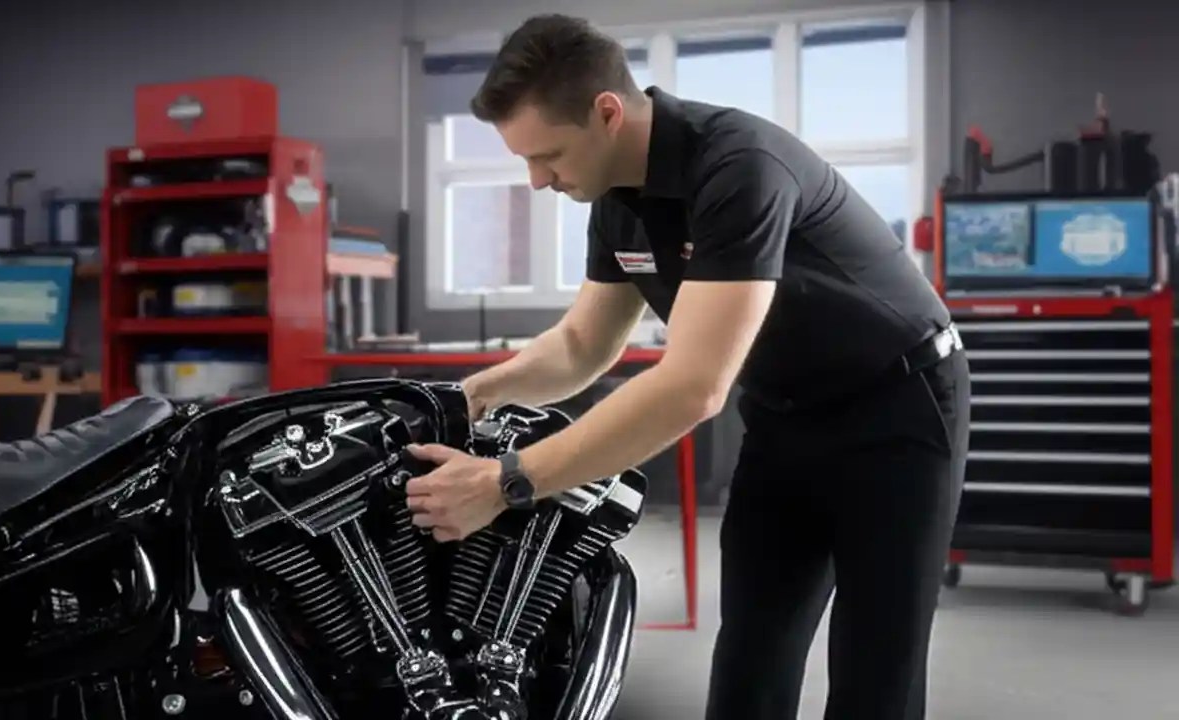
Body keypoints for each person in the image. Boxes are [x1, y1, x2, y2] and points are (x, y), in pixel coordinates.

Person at [402, 13, 970, 720]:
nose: (538, 181)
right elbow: (582, 345)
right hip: (784, 414)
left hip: (897, 404)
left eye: (548, 156)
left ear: (607, 113)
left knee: (875, 668)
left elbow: (694, 386)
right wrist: (471, 394)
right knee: (751, 656)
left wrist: (508, 482)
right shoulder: (614, 200)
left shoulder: (738, 166)